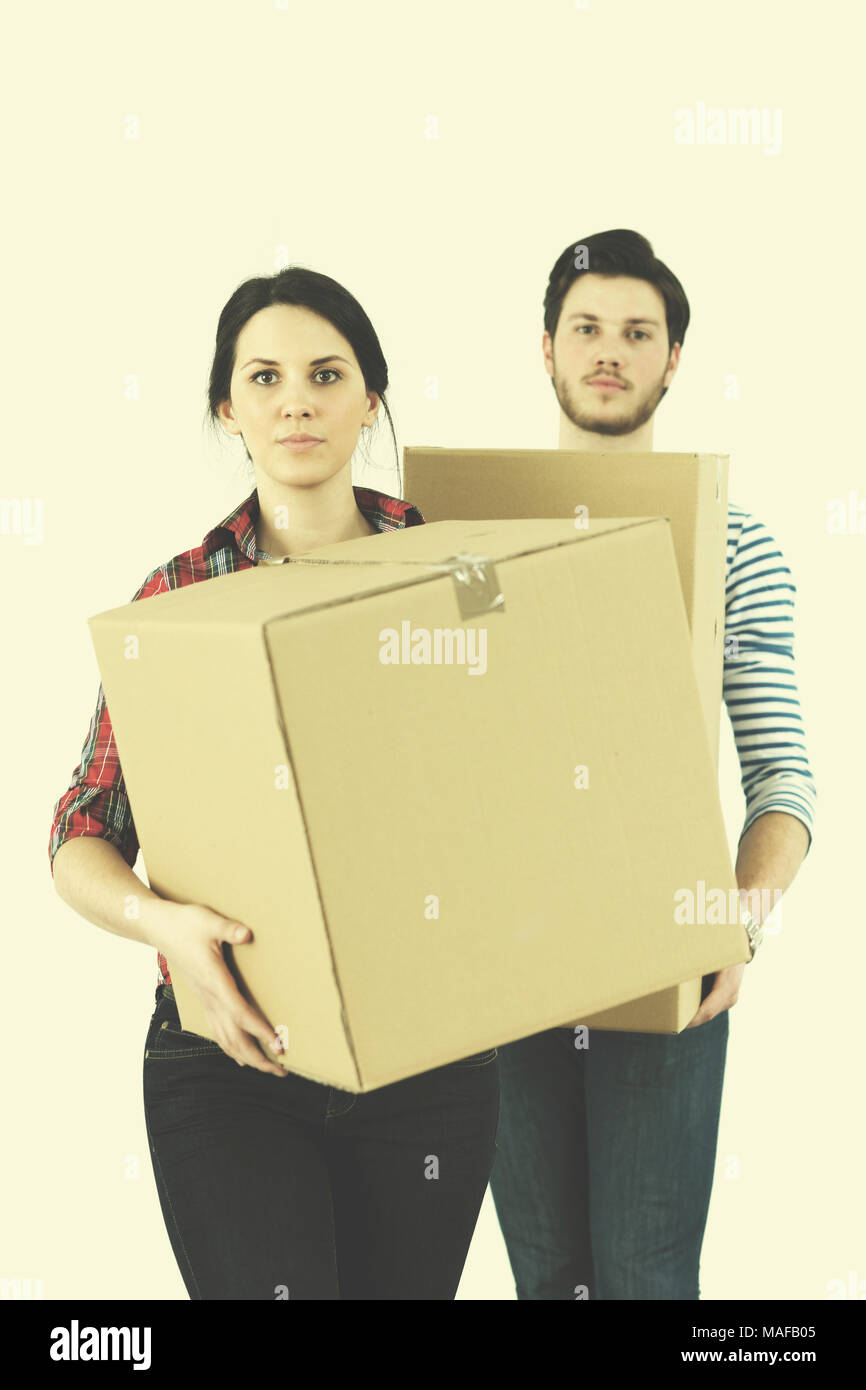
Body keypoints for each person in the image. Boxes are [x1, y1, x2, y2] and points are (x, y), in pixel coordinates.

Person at [48, 266, 499, 1301]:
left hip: (426, 1064)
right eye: (265, 377)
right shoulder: (178, 594)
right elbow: (80, 828)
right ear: (229, 408)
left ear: (369, 397)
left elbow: (524, 770)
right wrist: (170, 929)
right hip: (228, 1063)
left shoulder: (461, 567)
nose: (296, 399)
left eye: (326, 374)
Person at [488, 228, 817, 1300]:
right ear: (544, 348)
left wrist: (741, 919)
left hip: (659, 941)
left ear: (672, 359)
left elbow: (783, 776)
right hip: (497, 960)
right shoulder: (461, 533)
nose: (608, 351)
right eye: (585, 328)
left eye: (637, 333)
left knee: (643, 1280)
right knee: (547, 1279)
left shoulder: (737, 542)